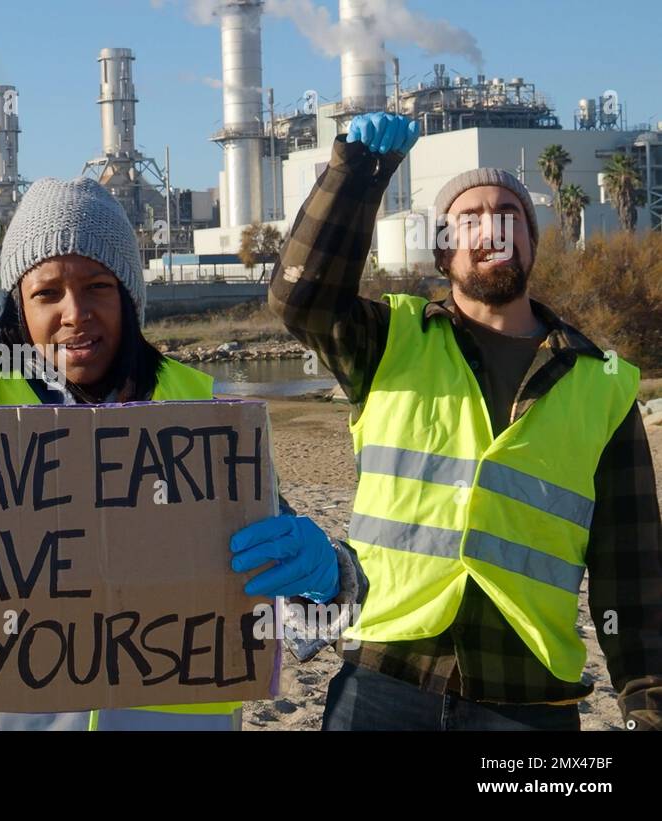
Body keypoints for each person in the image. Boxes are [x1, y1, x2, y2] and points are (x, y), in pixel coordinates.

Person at [0, 175, 361, 730]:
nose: (75, 314)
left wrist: (330, 582)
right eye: (48, 292)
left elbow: (305, 622)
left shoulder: (200, 422)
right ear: (17, 306)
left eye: (98, 286)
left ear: (130, 297)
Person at [272, 112, 662, 731]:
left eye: (508, 217)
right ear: (443, 247)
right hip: (383, 678)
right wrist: (354, 177)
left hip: (530, 699)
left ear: (532, 243)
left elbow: (632, 577)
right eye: (469, 220)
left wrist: (646, 707)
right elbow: (301, 297)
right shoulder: (389, 341)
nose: (491, 231)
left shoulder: (605, 381)